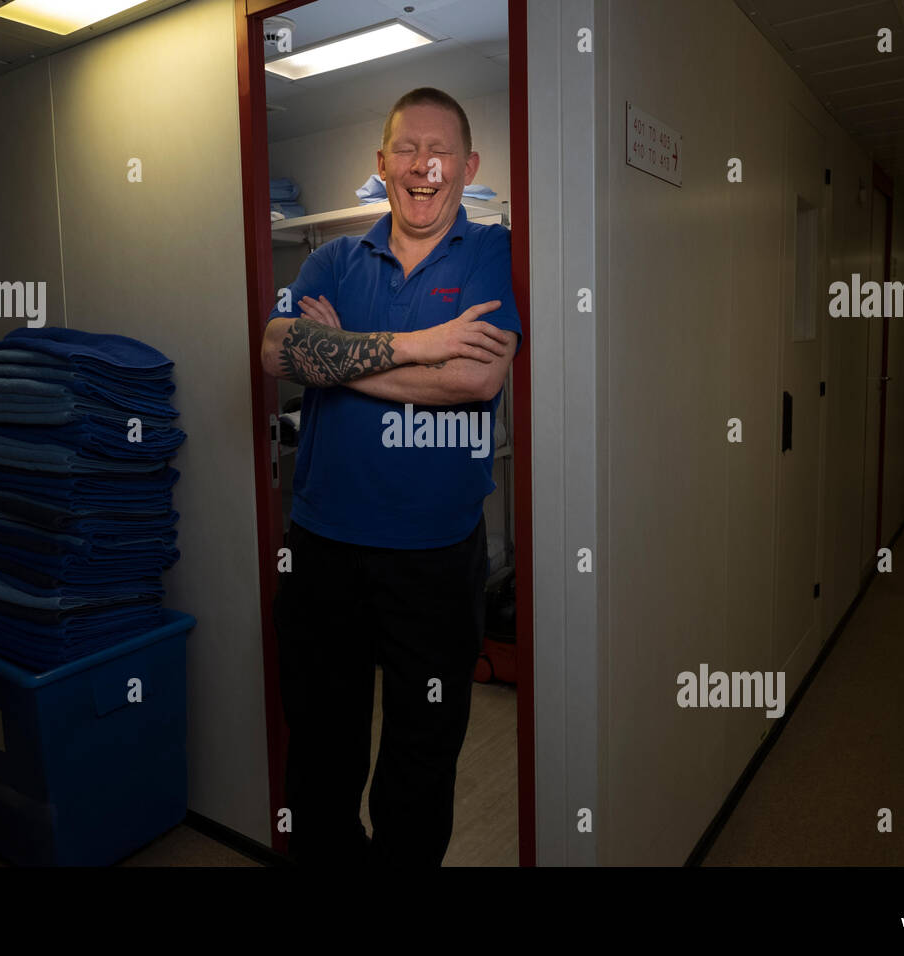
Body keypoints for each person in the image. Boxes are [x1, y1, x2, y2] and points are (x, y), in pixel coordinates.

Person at [261, 87, 521, 866]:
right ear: (382, 164)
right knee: (320, 756)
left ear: (467, 165)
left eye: (440, 150)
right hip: (323, 552)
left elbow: (475, 380)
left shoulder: (493, 251)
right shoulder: (333, 258)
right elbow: (279, 349)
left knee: (418, 763)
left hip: (435, 560)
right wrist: (421, 345)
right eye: (405, 148)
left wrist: (341, 362)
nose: (423, 165)